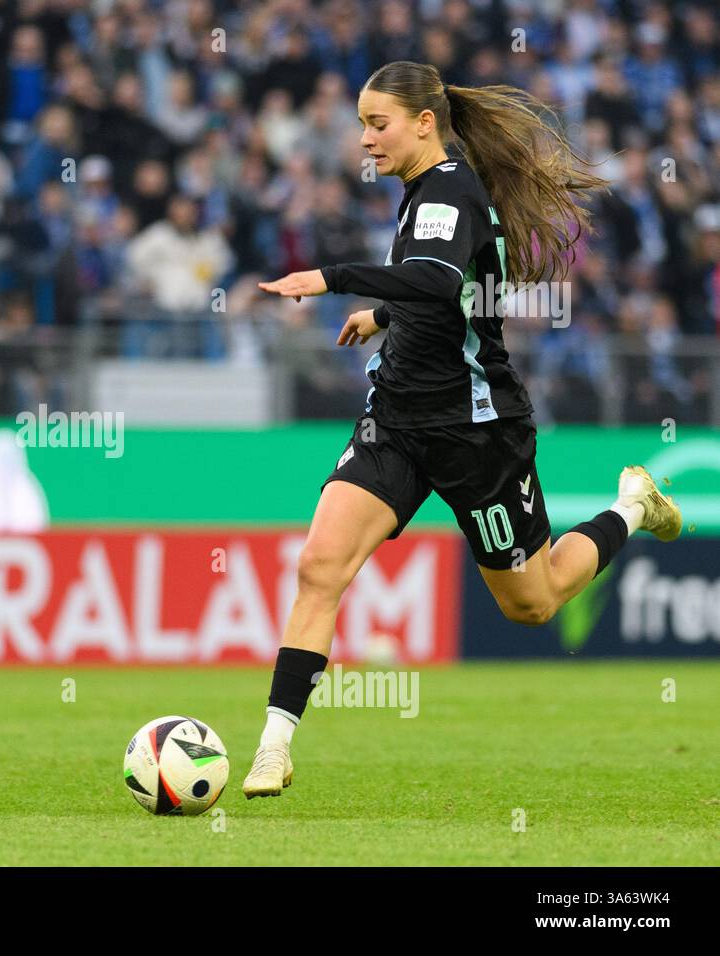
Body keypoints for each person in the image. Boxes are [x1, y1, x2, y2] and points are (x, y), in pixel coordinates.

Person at [242, 61, 684, 800]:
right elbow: (455, 291)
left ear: (423, 122)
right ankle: (272, 747)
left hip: (479, 432)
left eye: (376, 124)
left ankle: (632, 505)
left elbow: (441, 281)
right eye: (360, 123)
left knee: (533, 603)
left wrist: (332, 278)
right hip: (397, 422)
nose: (365, 140)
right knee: (321, 566)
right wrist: (384, 317)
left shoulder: (449, 189)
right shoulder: (427, 193)